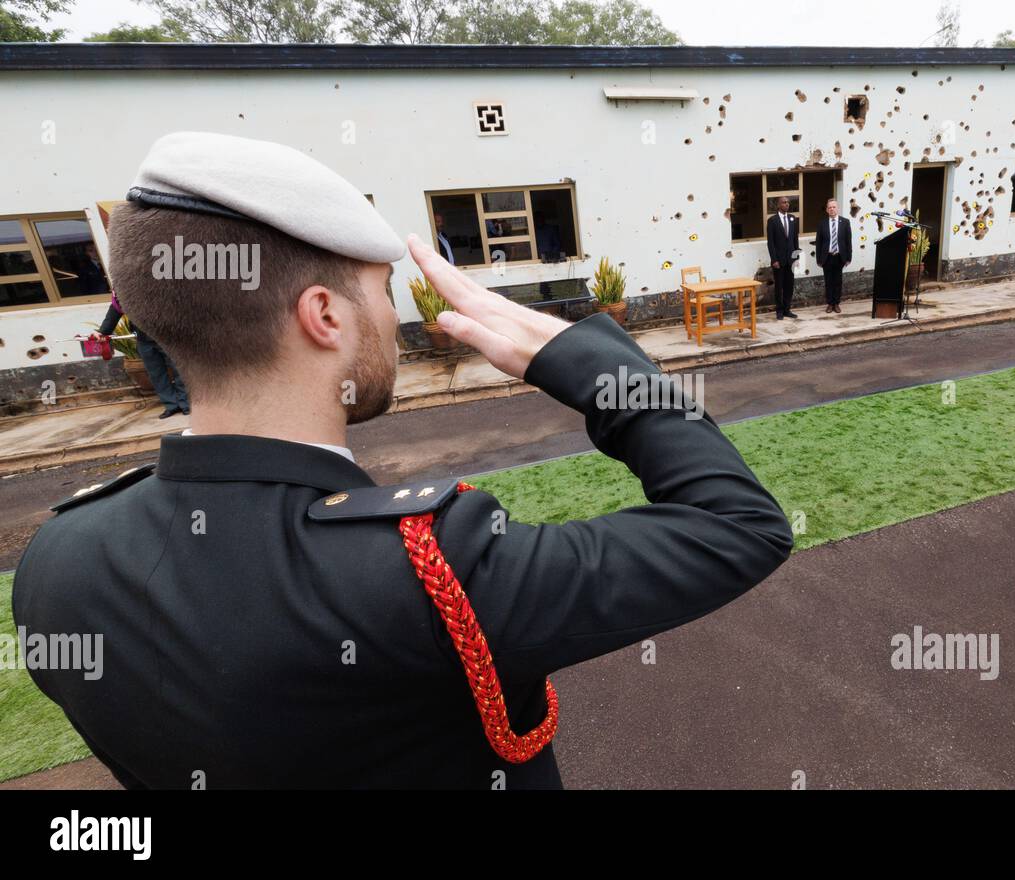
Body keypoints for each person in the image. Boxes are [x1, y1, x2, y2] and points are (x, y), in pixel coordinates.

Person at [13, 132, 792, 789]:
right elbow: (739, 525)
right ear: (323, 316)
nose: (393, 315)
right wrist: (581, 360)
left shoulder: (58, 561)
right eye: (382, 290)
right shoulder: (430, 570)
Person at [93, 290, 191, 418]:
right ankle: (171, 405)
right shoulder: (123, 288)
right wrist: (103, 331)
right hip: (144, 340)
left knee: (179, 370)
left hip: (167, 337)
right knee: (156, 374)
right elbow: (115, 309)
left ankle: (186, 404)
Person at [814, 198, 852, 314]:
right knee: (828, 281)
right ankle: (830, 303)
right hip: (827, 257)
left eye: (834, 207)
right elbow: (819, 242)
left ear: (837, 208)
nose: (832, 209)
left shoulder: (845, 222)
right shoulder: (822, 223)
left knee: (838, 281)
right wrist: (819, 259)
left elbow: (848, 241)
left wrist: (849, 258)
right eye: (829, 207)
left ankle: (836, 303)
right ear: (827, 210)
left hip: (840, 256)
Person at [766, 196, 800, 319]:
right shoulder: (772, 221)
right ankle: (779, 311)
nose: (787, 204)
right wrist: (774, 259)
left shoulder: (793, 219)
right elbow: (771, 243)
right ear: (778, 205)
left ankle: (787, 309)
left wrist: (796, 257)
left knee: (789, 286)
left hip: (790, 260)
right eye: (784, 202)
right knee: (779, 286)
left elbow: (795, 240)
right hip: (778, 261)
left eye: (788, 202)